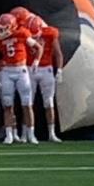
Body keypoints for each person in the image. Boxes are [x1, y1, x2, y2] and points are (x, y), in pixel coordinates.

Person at [0, 13, 41, 145]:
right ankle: (9, 135)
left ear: (12, 26)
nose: (0, 32)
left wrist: (36, 61)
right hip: (6, 71)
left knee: (27, 104)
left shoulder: (22, 34)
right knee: (8, 105)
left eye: (3, 29)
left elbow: (38, 47)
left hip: (21, 70)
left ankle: (31, 134)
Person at [26, 14, 64, 143]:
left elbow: (58, 53)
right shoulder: (24, 32)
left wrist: (59, 69)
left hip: (46, 68)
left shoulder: (50, 33)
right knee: (27, 102)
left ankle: (51, 133)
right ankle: (26, 133)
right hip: (30, 68)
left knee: (49, 102)